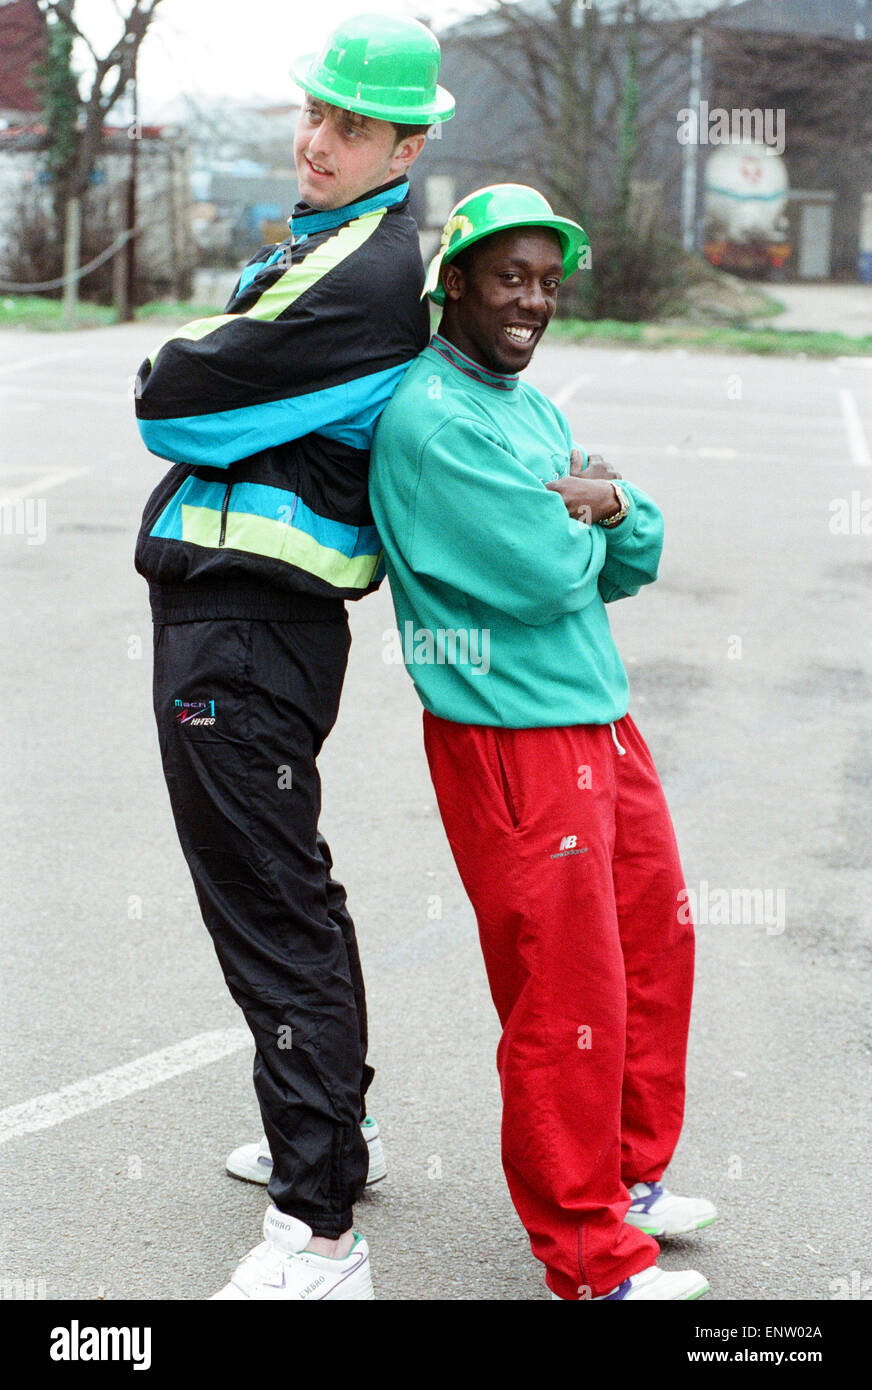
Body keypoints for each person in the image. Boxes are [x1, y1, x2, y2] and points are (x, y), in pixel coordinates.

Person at [133, 13, 454, 1300]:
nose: (317, 140)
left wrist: (189, 378)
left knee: (273, 919)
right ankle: (335, 1135)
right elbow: (221, 395)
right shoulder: (331, 245)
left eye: (351, 126)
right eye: (313, 114)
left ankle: (317, 1232)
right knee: (289, 901)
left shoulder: (363, 272)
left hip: (247, 634)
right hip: (246, 626)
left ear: (406, 142)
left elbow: (177, 395)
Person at [369, 184, 716, 1301]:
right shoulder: (435, 416)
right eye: (509, 276)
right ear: (454, 281)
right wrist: (585, 518)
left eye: (547, 281)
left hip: (598, 719)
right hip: (512, 740)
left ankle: (624, 1183)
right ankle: (584, 1255)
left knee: (651, 956)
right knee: (563, 994)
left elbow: (627, 553)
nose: (532, 300)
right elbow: (540, 576)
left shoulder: (525, 406)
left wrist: (602, 507)